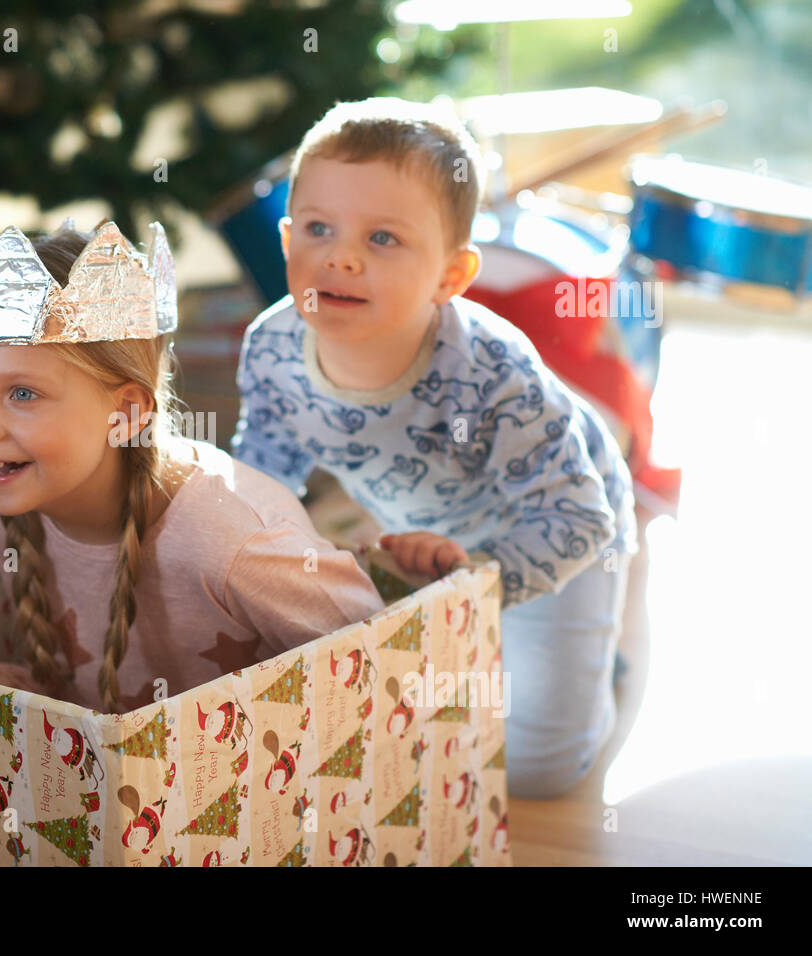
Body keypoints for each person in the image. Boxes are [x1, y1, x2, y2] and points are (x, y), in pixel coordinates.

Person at [231, 97, 638, 798]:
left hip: (553, 529)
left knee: (539, 771)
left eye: (382, 239)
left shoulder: (491, 372)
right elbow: (260, 473)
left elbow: (579, 522)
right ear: (287, 239)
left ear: (451, 276)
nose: (342, 258)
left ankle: (601, 665)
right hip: (426, 535)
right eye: (319, 230)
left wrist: (477, 577)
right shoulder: (273, 347)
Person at [0, 220, 385, 715]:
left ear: (127, 413)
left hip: (223, 765)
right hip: (87, 738)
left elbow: (382, 654)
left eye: (22, 393)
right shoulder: (1, 494)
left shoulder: (233, 541)